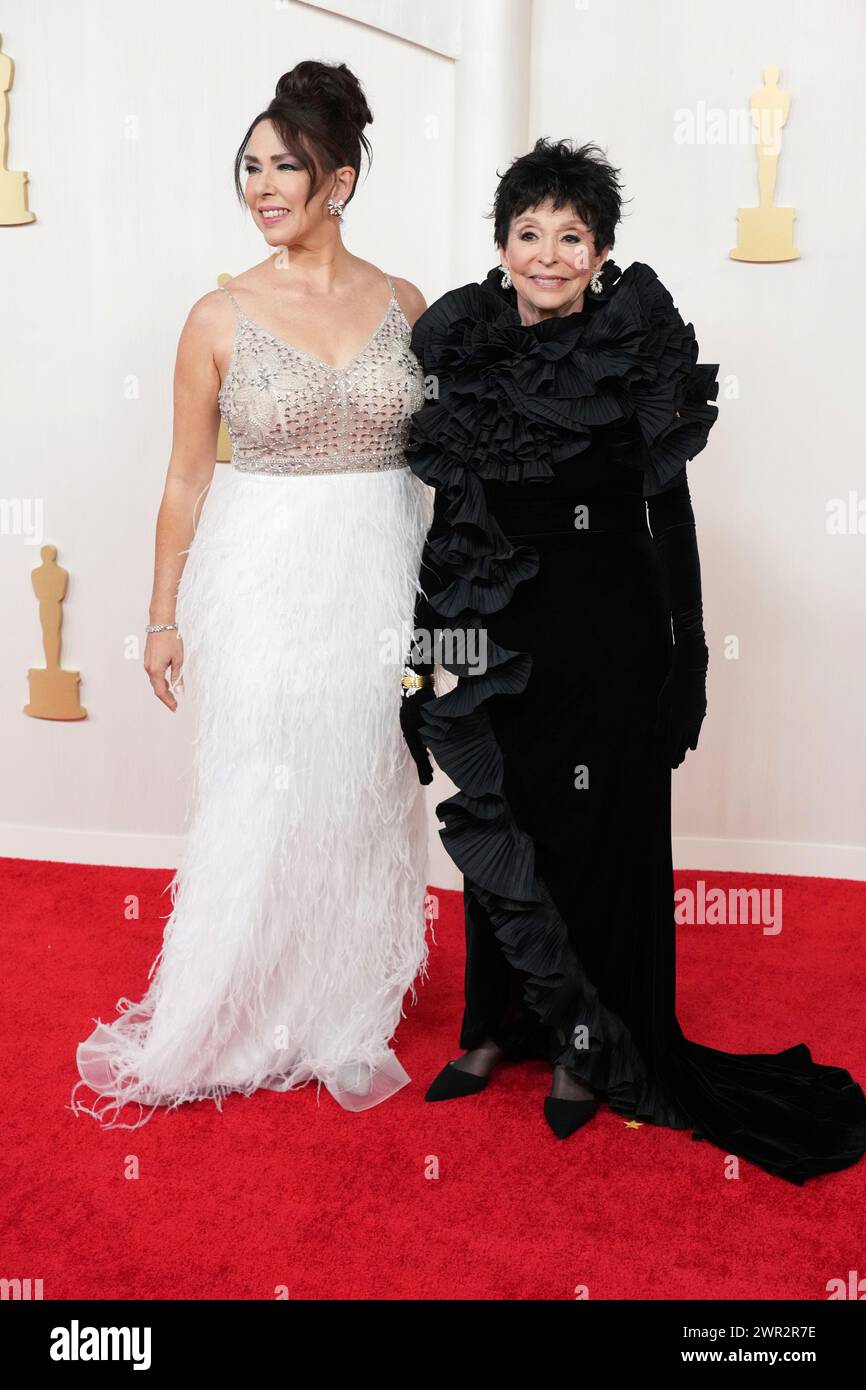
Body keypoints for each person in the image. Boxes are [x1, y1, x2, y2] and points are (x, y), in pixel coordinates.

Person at [400, 137, 866, 1184]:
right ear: (503, 244)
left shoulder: (632, 346)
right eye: (529, 233)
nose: (548, 253)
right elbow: (450, 523)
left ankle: (584, 1047)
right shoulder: (466, 349)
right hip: (500, 632)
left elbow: (669, 515)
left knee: (594, 838)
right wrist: (425, 657)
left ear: (600, 249)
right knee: (501, 821)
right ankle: (495, 1024)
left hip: (606, 635)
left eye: (571, 235)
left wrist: (685, 653)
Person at [71, 60, 432, 1129]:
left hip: (380, 579)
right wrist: (160, 616)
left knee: (364, 792)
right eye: (251, 167)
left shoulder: (408, 304)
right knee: (263, 792)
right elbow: (185, 476)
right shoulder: (216, 315)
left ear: (341, 181)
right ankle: (223, 1016)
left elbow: (446, 462)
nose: (263, 186)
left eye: (288, 166)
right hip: (264, 581)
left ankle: (335, 1010)